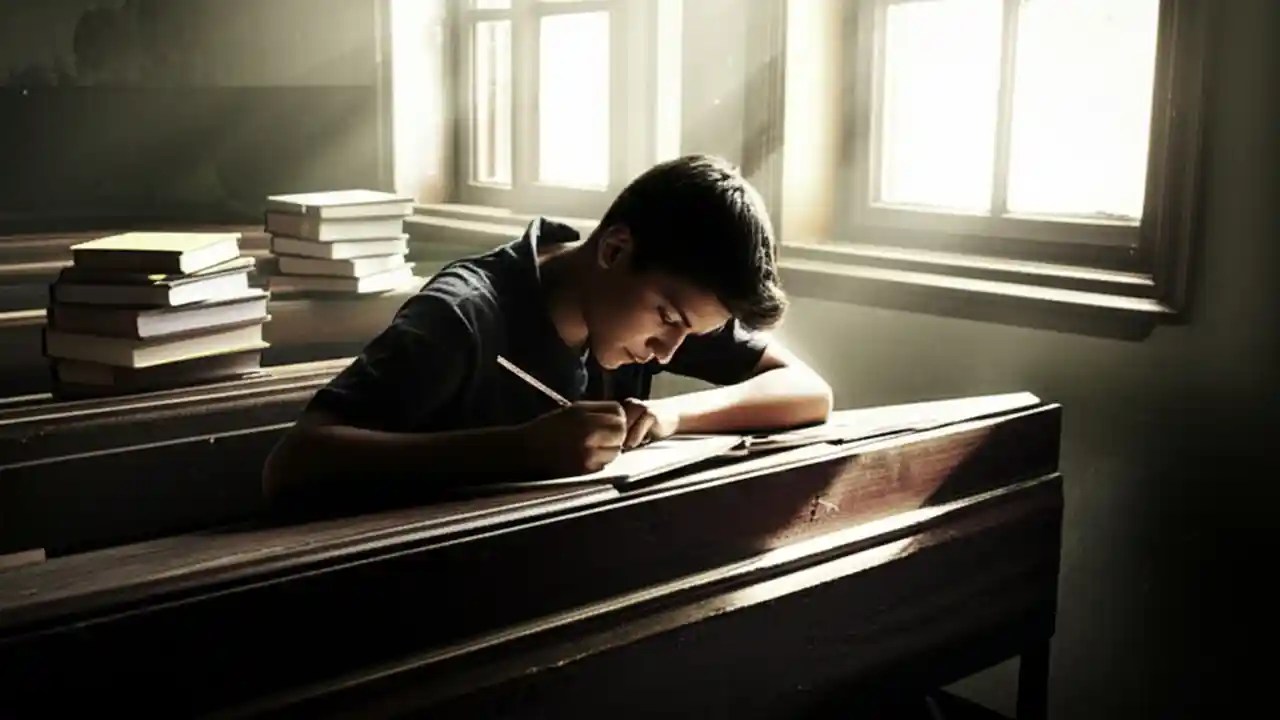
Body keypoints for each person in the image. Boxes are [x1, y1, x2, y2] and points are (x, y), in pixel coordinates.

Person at [261, 154, 833, 505]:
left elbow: (807, 392)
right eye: (669, 322)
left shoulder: (656, 303)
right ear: (614, 249)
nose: (666, 355)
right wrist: (518, 449)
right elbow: (294, 463)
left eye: (689, 334)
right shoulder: (462, 315)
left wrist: (669, 417)